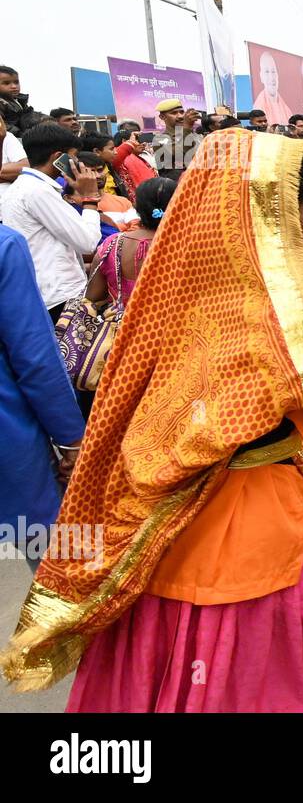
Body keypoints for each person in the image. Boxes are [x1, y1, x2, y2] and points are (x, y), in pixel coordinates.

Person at [1, 129, 303, 709]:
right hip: (260, 521)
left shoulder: (188, 286)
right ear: (269, 213)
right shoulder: (294, 303)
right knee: (292, 665)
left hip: (175, 518)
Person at [0, 222, 85, 571]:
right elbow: (34, 356)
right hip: (11, 441)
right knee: (59, 571)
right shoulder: (6, 246)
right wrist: (73, 439)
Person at [0, 124, 101, 319]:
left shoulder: (25, 187)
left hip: (47, 292)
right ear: (57, 158)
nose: (77, 162)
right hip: (59, 297)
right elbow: (87, 243)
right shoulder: (37, 191)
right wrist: (90, 199)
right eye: (73, 156)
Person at [84, 176, 176, 314]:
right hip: (177, 329)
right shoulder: (190, 246)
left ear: (136, 207)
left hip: (125, 330)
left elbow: (93, 297)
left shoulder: (112, 244)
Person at [0, 66, 50, 136]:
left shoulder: (20, 101)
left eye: (16, 82)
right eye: (6, 83)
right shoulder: (2, 103)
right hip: (9, 139)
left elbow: (29, 117)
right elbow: (2, 126)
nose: (14, 86)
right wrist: (21, 133)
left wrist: (45, 120)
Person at [252, 51, 293, 127]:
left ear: (277, 75)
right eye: (267, 72)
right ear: (261, 77)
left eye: (273, 71)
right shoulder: (259, 106)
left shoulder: (285, 108)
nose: (271, 77)